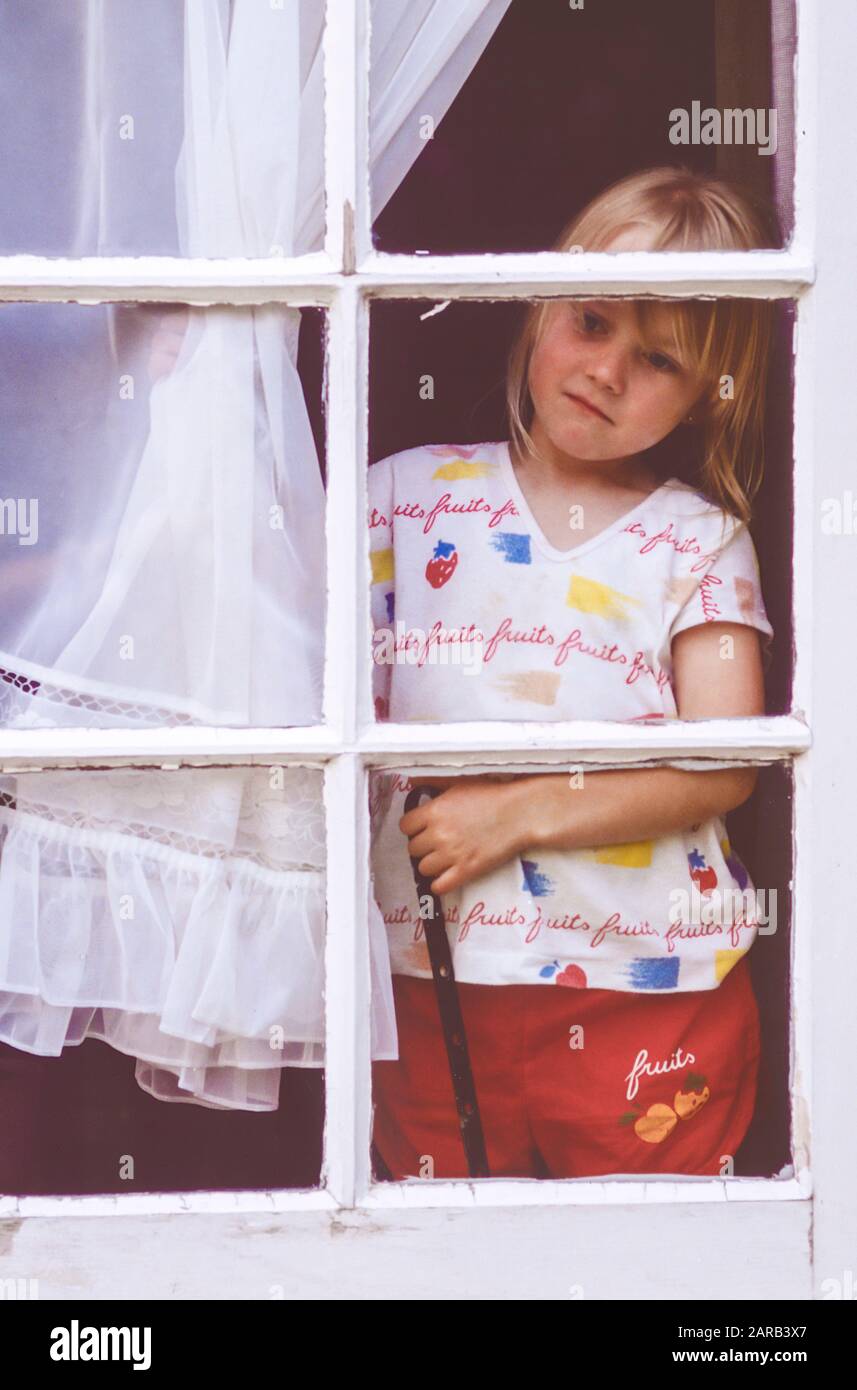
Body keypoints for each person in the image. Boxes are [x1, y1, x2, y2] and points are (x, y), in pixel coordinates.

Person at [367, 165, 777, 1180]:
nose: (604, 370)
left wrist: (513, 815)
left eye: (656, 360)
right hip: (433, 979)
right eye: (589, 322)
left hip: (649, 990)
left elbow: (724, 762)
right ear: (538, 300)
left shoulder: (698, 540)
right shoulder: (402, 498)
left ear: (701, 398)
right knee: (435, 1265)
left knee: (645, 1260)